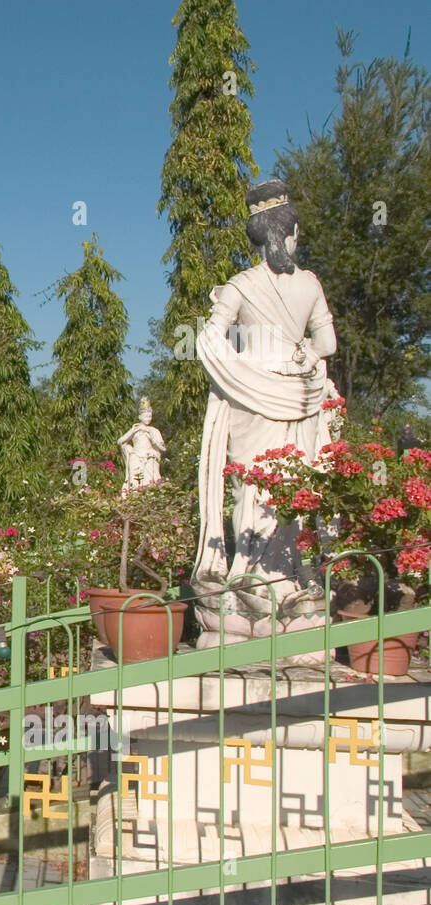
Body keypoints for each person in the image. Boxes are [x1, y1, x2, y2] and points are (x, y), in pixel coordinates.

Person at [193, 178, 336, 633]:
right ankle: (289, 579)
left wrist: (239, 372)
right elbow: (327, 342)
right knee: (294, 486)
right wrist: (304, 360)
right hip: (300, 392)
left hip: (251, 395)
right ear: (289, 232)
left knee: (251, 487)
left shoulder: (240, 285)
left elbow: (209, 338)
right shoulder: (310, 285)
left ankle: (254, 577)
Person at [118, 399, 165, 490]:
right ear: (140, 417)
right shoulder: (135, 429)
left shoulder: (154, 430)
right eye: (146, 416)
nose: (148, 419)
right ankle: (133, 499)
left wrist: (151, 436)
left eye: (150, 416)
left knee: (148, 483)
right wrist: (132, 431)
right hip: (136, 457)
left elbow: (163, 448)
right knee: (134, 481)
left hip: (148, 458)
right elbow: (120, 442)